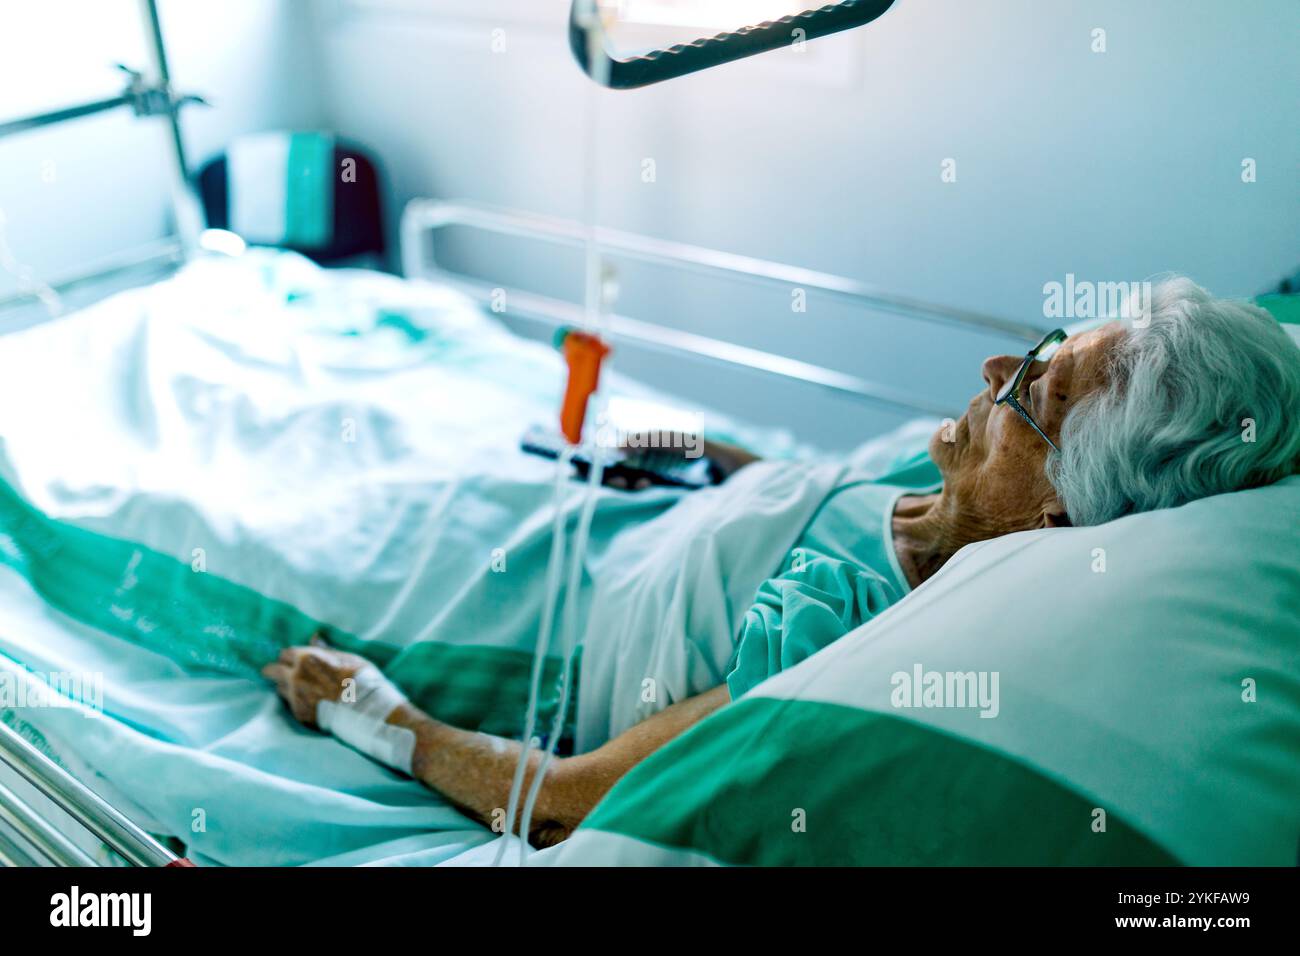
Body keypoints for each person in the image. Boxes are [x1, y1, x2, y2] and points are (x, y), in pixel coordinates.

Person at [263, 278, 1300, 846]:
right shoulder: (948, 471)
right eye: (1046, 340)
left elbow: (566, 799)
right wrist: (679, 446)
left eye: (1037, 384)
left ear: (1056, 509)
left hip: (533, 615)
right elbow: (802, 486)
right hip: (615, 503)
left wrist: (379, 716)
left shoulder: (846, 638)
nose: (994, 368)